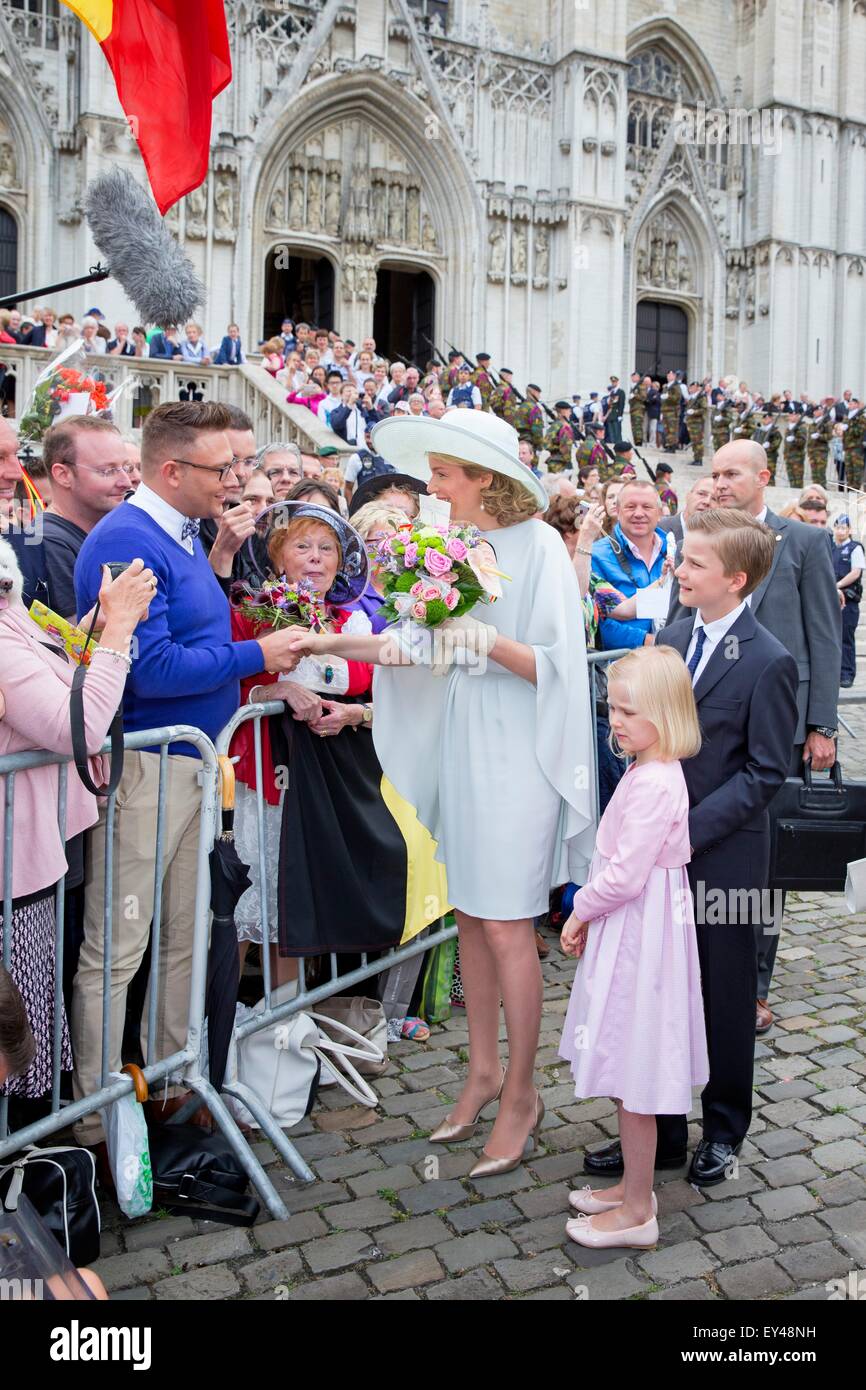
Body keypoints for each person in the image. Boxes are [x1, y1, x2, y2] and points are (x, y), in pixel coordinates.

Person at [287, 409, 596, 1176]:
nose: (433, 486)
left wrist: (489, 642)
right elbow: (410, 643)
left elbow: (560, 667)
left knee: (507, 924)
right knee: (470, 914)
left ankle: (522, 1091)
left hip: (517, 750)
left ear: (483, 478)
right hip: (463, 742)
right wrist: (328, 639)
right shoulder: (458, 548)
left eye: (446, 474)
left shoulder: (542, 552)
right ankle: (482, 1072)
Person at [70, 402, 305, 1145]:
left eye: (242, 466)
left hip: (191, 768)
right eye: (224, 469)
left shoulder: (181, 533)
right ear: (171, 471)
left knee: (181, 937)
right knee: (118, 948)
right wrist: (258, 658)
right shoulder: (129, 542)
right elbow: (154, 669)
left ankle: (170, 1088)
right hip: (145, 770)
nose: (237, 482)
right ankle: (97, 1121)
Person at [586, 511, 799, 1189]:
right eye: (683, 560)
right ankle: (659, 1135)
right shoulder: (672, 637)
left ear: (734, 580)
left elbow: (766, 772)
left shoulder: (769, 658)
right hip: (659, 854)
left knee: (724, 993)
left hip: (722, 855)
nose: (679, 571)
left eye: (696, 564)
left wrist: (685, 830)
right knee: (658, 991)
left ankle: (725, 1129)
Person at [559, 645, 707, 1248]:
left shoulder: (652, 783)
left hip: (639, 934)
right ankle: (633, 1187)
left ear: (664, 714)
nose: (614, 720)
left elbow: (623, 876)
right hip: (640, 927)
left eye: (627, 711)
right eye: (612, 708)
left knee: (633, 1071)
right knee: (629, 1071)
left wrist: (578, 911)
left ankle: (638, 1211)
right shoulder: (653, 772)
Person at [0, 538, 156, 1098]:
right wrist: (116, 632)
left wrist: (95, 622)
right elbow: (80, 728)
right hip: (11, 861)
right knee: (12, 1025)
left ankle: (30, 1150)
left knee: (28, 1008)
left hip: (31, 855)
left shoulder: (10, 611)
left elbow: (47, 656)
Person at [9, 418, 132, 618]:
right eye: (108, 471)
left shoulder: (104, 531)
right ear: (63, 475)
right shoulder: (48, 542)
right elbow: (78, 638)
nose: (126, 482)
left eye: (125, 468)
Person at [591, 479, 667, 650]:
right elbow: (598, 622)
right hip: (621, 664)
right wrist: (649, 641)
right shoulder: (596, 555)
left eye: (647, 507)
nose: (639, 513)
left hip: (673, 659)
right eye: (630, 507)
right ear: (617, 511)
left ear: (660, 513)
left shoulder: (676, 551)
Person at [833, 513, 864, 687]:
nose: (840, 530)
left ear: (850, 530)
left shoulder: (855, 548)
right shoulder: (831, 548)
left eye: (843, 527)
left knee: (846, 638)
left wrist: (836, 585)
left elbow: (856, 573)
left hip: (848, 601)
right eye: (837, 527)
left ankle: (846, 674)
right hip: (832, 599)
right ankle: (835, 672)